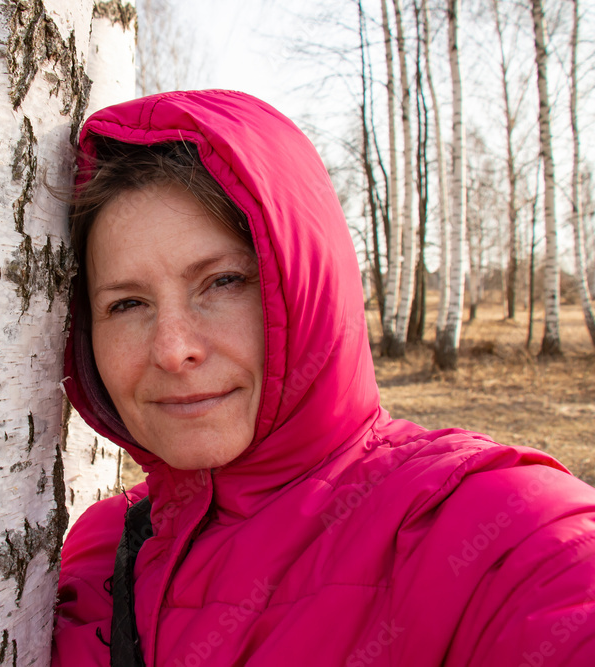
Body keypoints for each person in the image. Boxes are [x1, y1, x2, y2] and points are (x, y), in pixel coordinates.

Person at [52, 90, 595, 666]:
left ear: (311, 282)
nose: (173, 350)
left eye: (224, 282)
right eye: (128, 304)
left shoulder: (497, 531)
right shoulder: (98, 550)